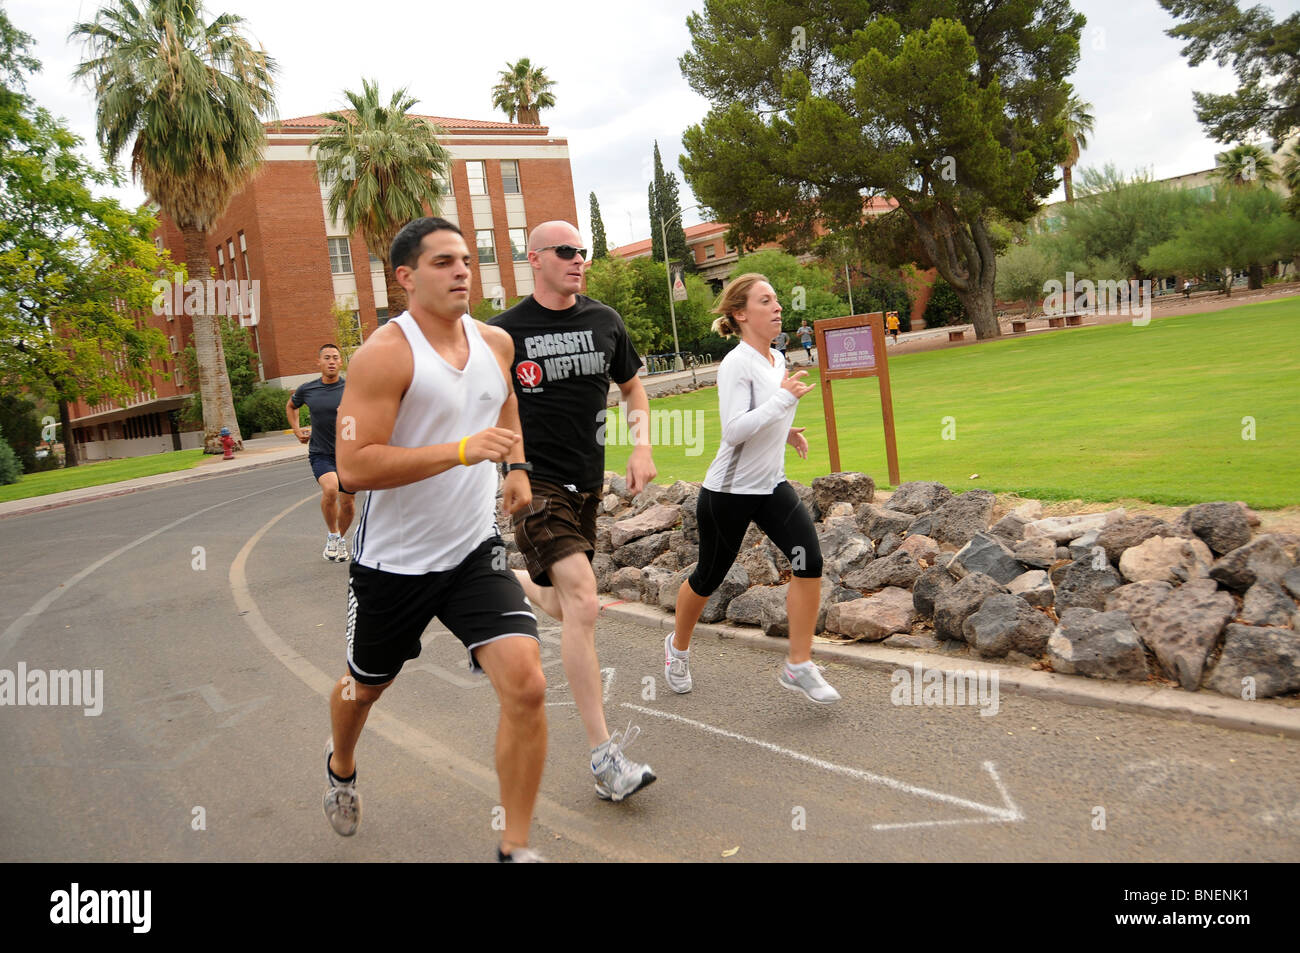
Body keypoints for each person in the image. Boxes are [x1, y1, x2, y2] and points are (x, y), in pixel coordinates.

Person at [326, 216, 548, 863]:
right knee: (363, 687)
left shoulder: (495, 343)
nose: (461, 271)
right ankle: (341, 764)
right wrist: (459, 451)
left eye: (467, 260)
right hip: (393, 563)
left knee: (528, 684)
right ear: (405, 277)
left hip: (472, 550)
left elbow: (503, 403)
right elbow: (354, 466)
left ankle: (515, 847)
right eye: (444, 261)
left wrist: (516, 467)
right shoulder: (384, 355)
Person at [489, 221, 659, 803]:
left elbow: (633, 388)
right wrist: (509, 466)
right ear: (533, 258)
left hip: (586, 485)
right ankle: (605, 758)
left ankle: (502, 581)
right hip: (534, 483)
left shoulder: (605, 320)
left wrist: (641, 445)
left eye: (583, 251)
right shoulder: (504, 333)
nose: (578, 260)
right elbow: (488, 407)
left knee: (566, 605)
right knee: (585, 600)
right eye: (566, 251)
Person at [666, 274, 840, 704]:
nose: (778, 307)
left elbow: (760, 418)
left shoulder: (777, 360)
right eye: (766, 301)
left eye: (778, 300)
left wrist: (785, 431)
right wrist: (781, 403)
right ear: (740, 314)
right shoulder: (736, 363)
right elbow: (733, 431)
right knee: (709, 577)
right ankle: (677, 648)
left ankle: (798, 665)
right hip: (728, 493)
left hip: (770, 488)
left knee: (808, 561)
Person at [287, 344, 355, 562]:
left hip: (348, 455)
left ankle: (339, 541)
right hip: (321, 453)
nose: (332, 361)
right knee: (331, 489)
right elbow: (291, 406)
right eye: (327, 357)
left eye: (335, 357)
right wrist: (297, 431)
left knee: (348, 504)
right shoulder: (308, 389)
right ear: (319, 362)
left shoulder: (352, 388)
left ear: (341, 362)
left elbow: (366, 413)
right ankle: (333, 534)